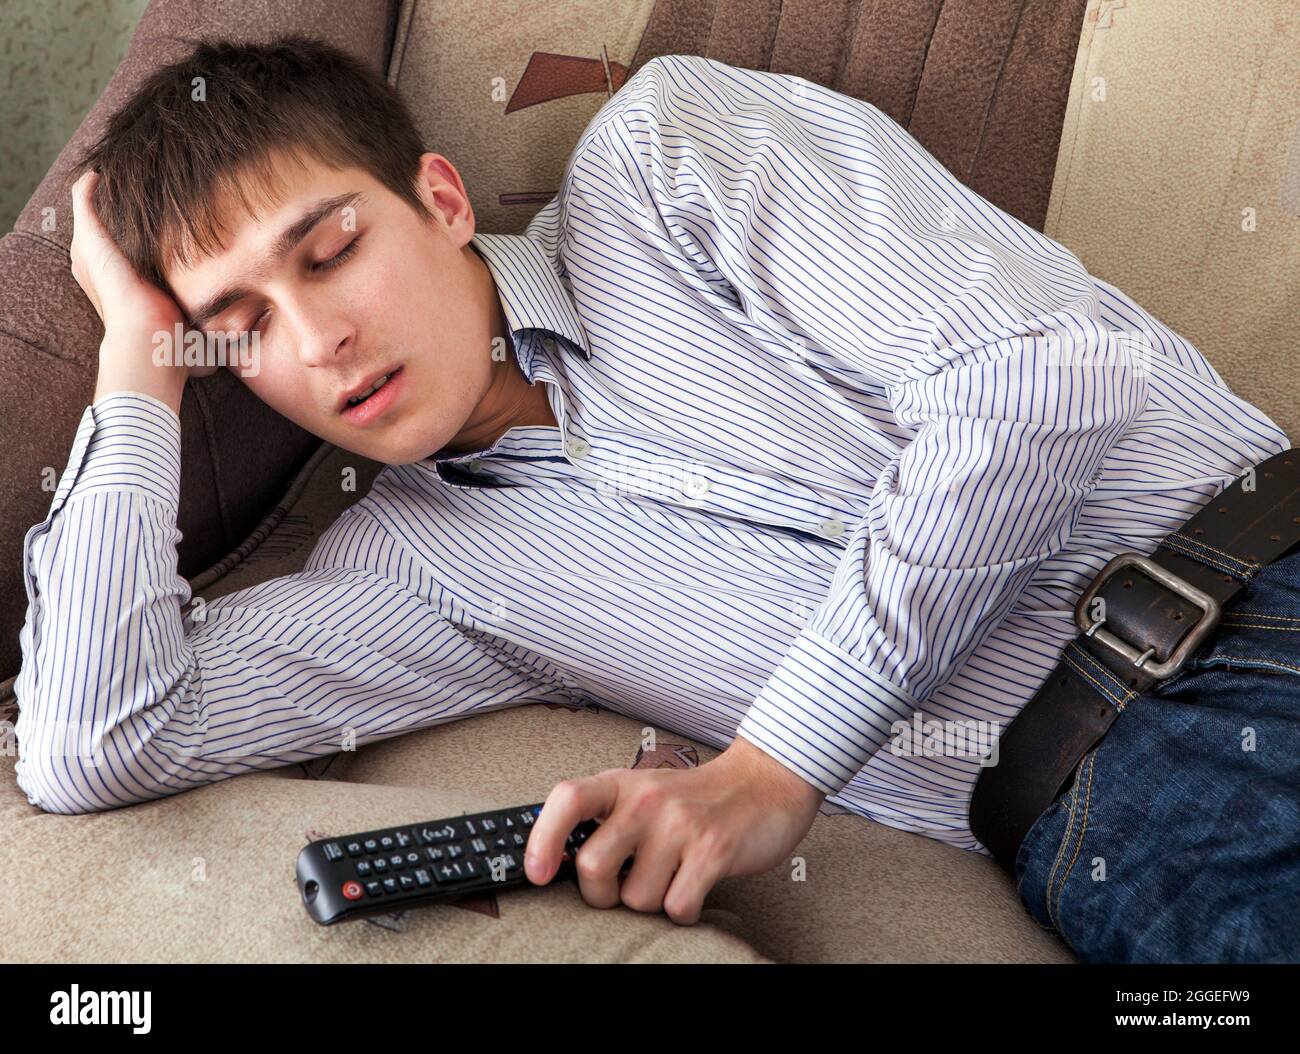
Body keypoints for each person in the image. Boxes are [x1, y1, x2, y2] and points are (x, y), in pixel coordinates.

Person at [16, 36, 1294, 957]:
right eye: (240, 326)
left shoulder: (668, 158)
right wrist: (139, 362)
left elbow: (1042, 379)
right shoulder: (410, 574)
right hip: (1130, 818)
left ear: (442, 201)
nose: (318, 340)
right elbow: (98, 735)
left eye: (333, 250)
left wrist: (775, 763)